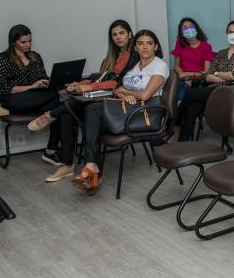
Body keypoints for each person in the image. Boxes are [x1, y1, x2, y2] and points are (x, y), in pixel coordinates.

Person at [27, 19, 133, 182]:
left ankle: (51, 115)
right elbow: (99, 78)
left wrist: (87, 87)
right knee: (67, 114)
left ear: (130, 34)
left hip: (115, 103)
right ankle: (67, 165)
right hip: (100, 98)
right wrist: (80, 83)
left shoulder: (132, 56)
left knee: (71, 107)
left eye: (122, 33)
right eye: (114, 34)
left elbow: (117, 83)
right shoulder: (110, 58)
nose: (118, 37)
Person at [73, 29, 169, 194]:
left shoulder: (160, 66)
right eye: (140, 43)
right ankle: (92, 168)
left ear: (156, 46)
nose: (145, 47)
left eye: (149, 43)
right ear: (135, 47)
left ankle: (93, 171)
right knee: (91, 113)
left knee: (92, 116)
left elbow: (145, 95)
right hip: (129, 108)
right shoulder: (134, 65)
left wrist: (125, 92)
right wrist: (123, 94)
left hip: (145, 114)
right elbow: (117, 89)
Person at [0, 24, 62, 169]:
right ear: (13, 42)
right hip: (14, 101)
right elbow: (0, 91)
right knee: (58, 98)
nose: (28, 45)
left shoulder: (35, 57)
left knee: (59, 105)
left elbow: (43, 77)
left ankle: (50, 150)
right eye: (23, 42)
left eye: (30, 41)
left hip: (37, 98)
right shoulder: (2, 59)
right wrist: (31, 86)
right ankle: (51, 148)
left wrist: (47, 82)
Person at [175, 20, 234, 141]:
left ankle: (175, 123)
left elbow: (233, 76)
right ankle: (182, 144)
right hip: (214, 89)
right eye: (230, 32)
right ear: (226, 33)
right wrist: (221, 74)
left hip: (231, 92)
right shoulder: (221, 53)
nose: (233, 35)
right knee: (192, 109)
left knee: (190, 94)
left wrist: (218, 73)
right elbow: (208, 76)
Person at [171, 17, 214, 104]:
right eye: (185, 28)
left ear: (196, 28)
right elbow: (176, 66)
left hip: (198, 80)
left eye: (191, 26)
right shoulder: (180, 43)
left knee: (185, 96)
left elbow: (206, 72)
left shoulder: (206, 46)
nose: (189, 29)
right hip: (182, 79)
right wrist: (183, 76)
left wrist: (189, 75)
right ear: (182, 32)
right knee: (174, 93)